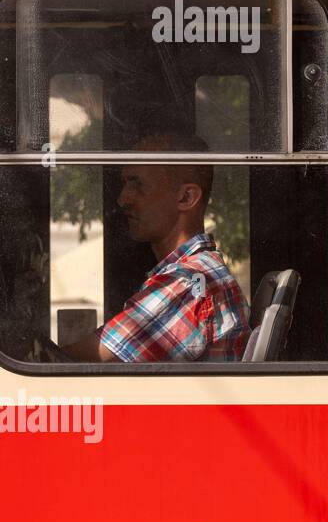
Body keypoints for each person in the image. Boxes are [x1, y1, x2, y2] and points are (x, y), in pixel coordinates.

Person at [64, 135, 250, 362]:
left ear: (185, 197)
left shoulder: (188, 281)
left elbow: (78, 364)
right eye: (125, 184)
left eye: (137, 184)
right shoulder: (196, 273)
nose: (123, 199)